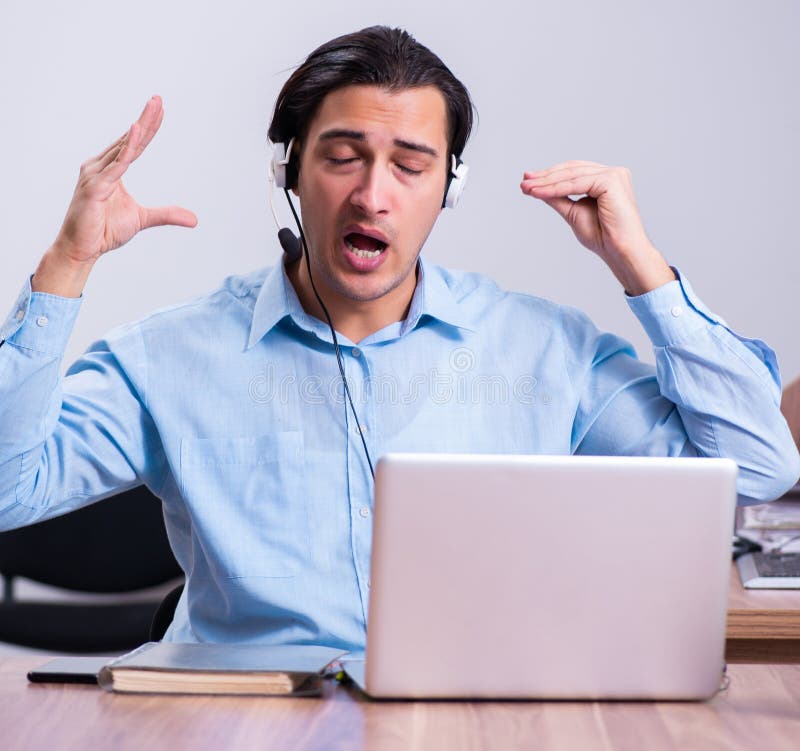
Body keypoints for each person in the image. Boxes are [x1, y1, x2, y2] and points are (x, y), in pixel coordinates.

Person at [0, 26, 798, 652]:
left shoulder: (542, 350)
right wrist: (65, 266)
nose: (372, 194)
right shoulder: (172, 354)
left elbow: (760, 466)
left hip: (466, 720)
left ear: (448, 185)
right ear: (290, 172)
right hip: (238, 719)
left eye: (411, 166)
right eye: (342, 157)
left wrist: (641, 267)